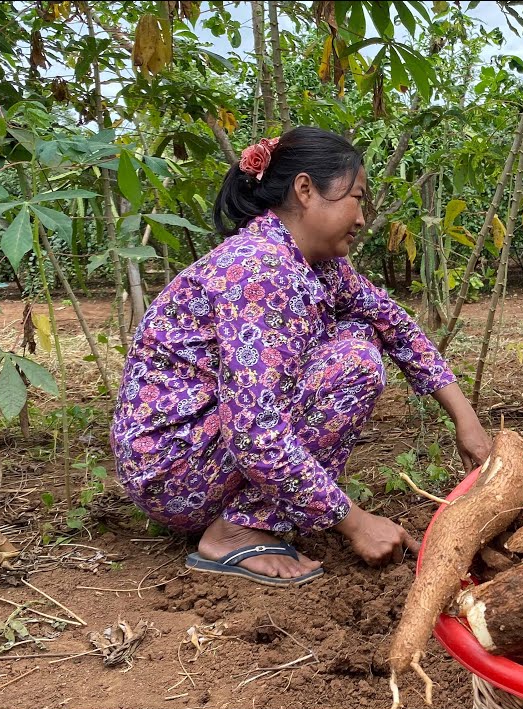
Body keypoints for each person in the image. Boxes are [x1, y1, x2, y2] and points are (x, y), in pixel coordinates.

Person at [110, 127, 491, 587]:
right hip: (175, 471)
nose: (363, 217)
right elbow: (253, 431)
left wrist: (464, 418)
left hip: (203, 451)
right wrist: (355, 522)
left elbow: (392, 322)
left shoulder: (316, 263)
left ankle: (248, 512)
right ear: (306, 190)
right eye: (356, 197)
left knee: (360, 329)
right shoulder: (261, 271)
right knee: (355, 364)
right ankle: (232, 531)